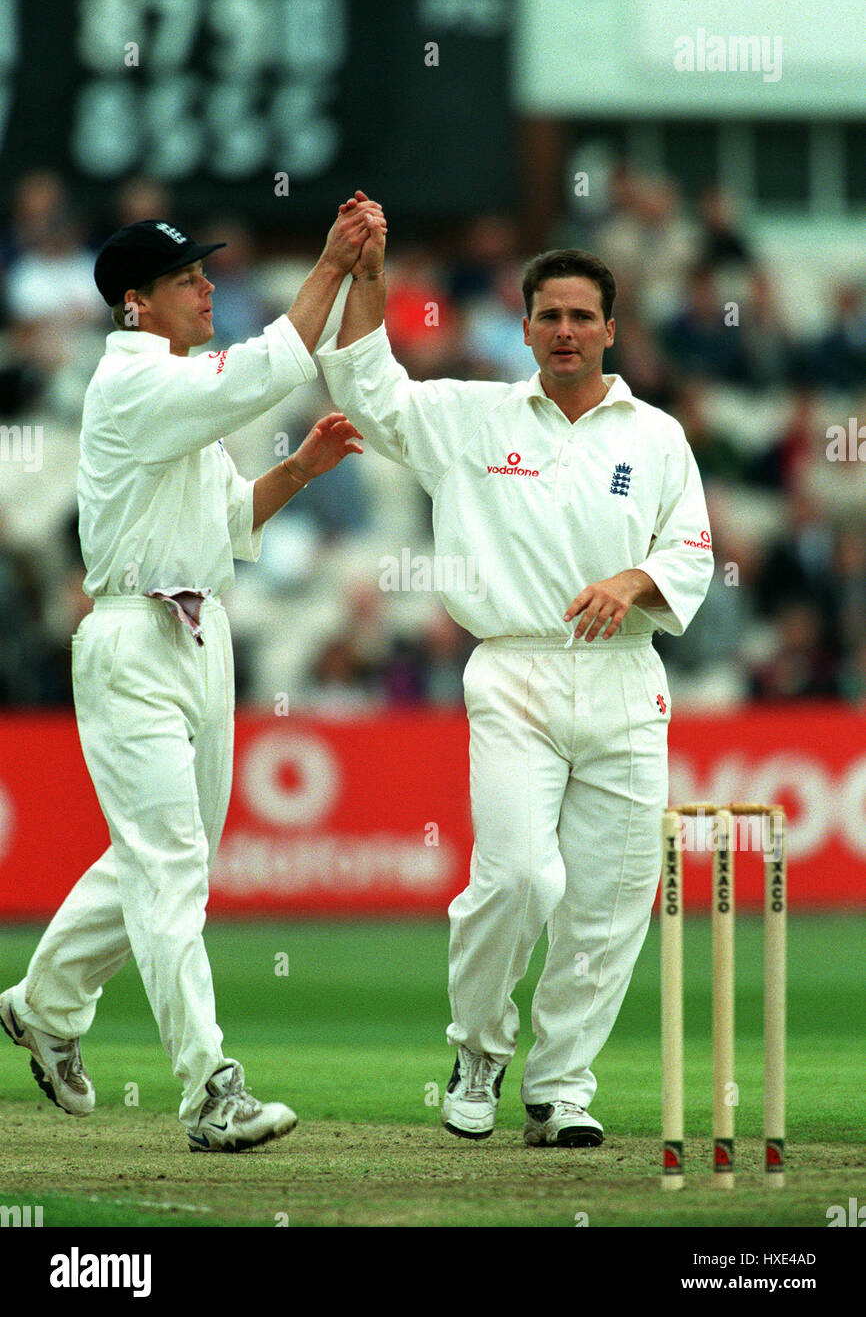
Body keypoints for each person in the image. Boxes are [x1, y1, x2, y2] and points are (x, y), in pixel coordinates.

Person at [318, 204, 713, 1148]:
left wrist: (633, 579)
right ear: (524, 324)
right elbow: (369, 390)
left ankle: (560, 1088)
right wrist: (366, 273)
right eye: (549, 317)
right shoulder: (471, 416)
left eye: (583, 317)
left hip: (625, 676)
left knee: (613, 903)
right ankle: (479, 1053)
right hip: (514, 673)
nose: (566, 333)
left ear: (611, 328)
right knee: (520, 879)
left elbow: (692, 548)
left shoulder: (654, 434)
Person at [0, 197, 385, 1152]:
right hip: (133, 639)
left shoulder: (173, 393)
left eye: (208, 274)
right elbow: (263, 368)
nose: (209, 286)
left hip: (198, 636)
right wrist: (333, 264)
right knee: (170, 870)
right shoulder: (131, 383)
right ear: (136, 304)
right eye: (188, 279)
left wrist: (301, 468)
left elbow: (228, 525)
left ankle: (44, 1004)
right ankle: (211, 1089)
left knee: (168, 863)